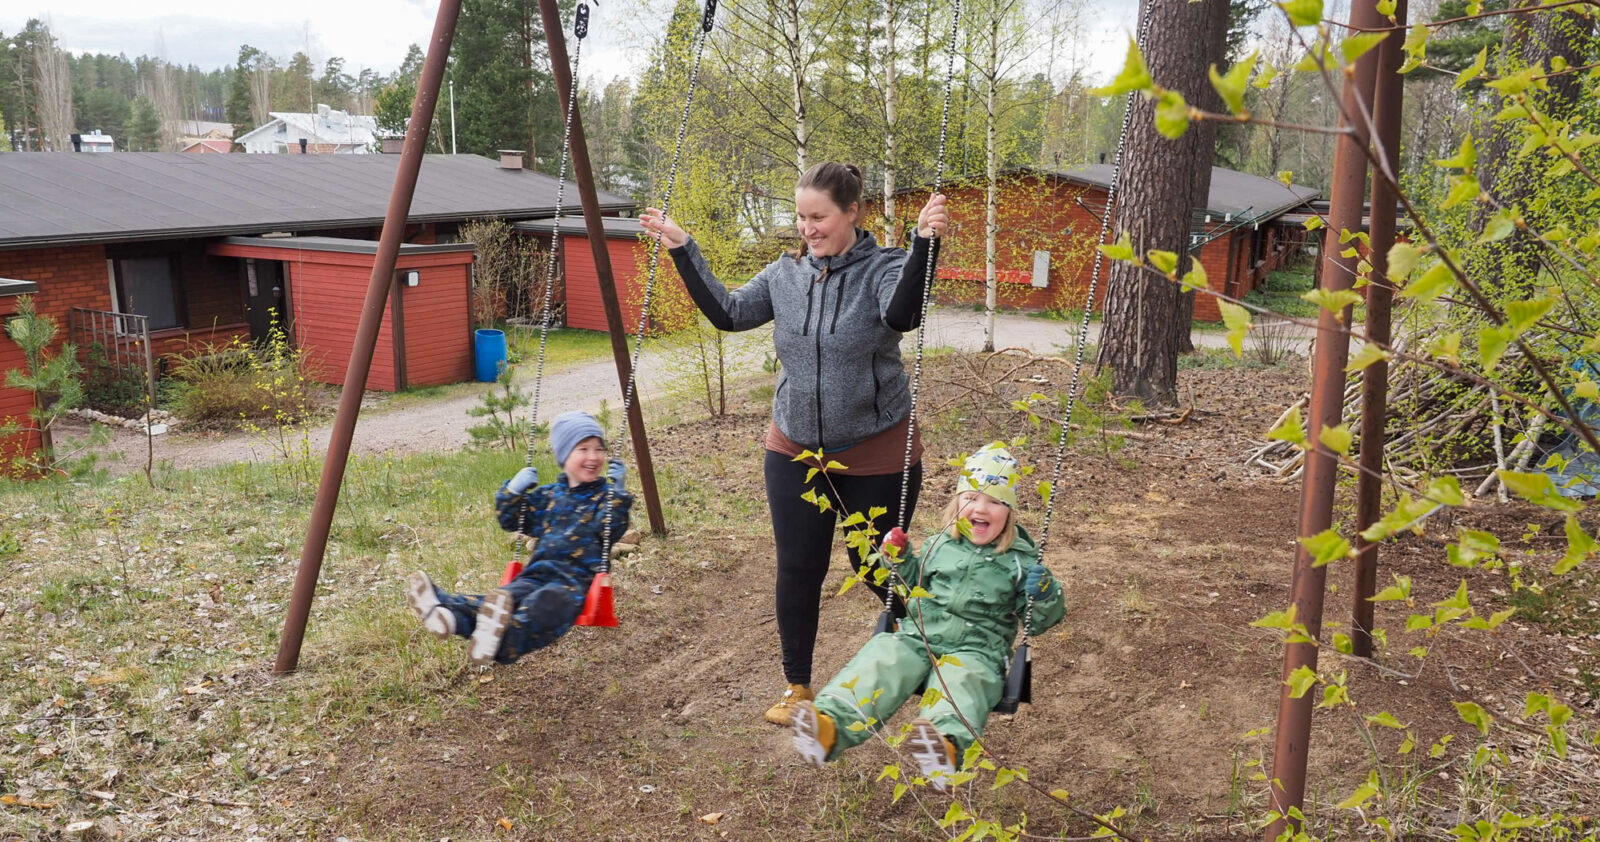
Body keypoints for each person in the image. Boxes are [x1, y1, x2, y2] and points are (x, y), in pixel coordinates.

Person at [640, 162, 950, 725]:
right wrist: (685, 249)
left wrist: (924, 246)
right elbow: (730, 314)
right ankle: (798, 686)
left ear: (852, 213)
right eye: (801, 217)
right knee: (798, 566)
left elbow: (902, 314)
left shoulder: (883, 268)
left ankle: (929, 649)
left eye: (819, 217)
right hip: (795, 448)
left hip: (877, 447)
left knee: (873, 560)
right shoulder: (784, 276)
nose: (807, 229)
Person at [788, 444, 1066, 790]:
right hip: (918, 636)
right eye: (972, 498)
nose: (981, 508)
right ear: (957, 505)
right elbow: (911, 586)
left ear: (1009, 513)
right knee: (881, 659)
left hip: (976, 651)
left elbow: (1041, 621)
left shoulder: (1020, 562)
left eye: (995, 501)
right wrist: (900, 560)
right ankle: (829, 727)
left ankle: (943, 747)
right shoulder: (939, 545)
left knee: (962, 684)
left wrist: (1044, 594)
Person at [405, 410, 632, 666]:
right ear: (564, 454)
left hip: (575, 585)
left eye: (599, 449)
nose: (593, 456)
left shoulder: (604, 497)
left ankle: (499, 642)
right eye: (583, 448)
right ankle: (447, 611)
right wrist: (512, 490)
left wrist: (619, 495)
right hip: (535, 575)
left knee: (540, 605)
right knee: (500, 600)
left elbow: (612, 529)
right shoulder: (546, 497)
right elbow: (510, 520)